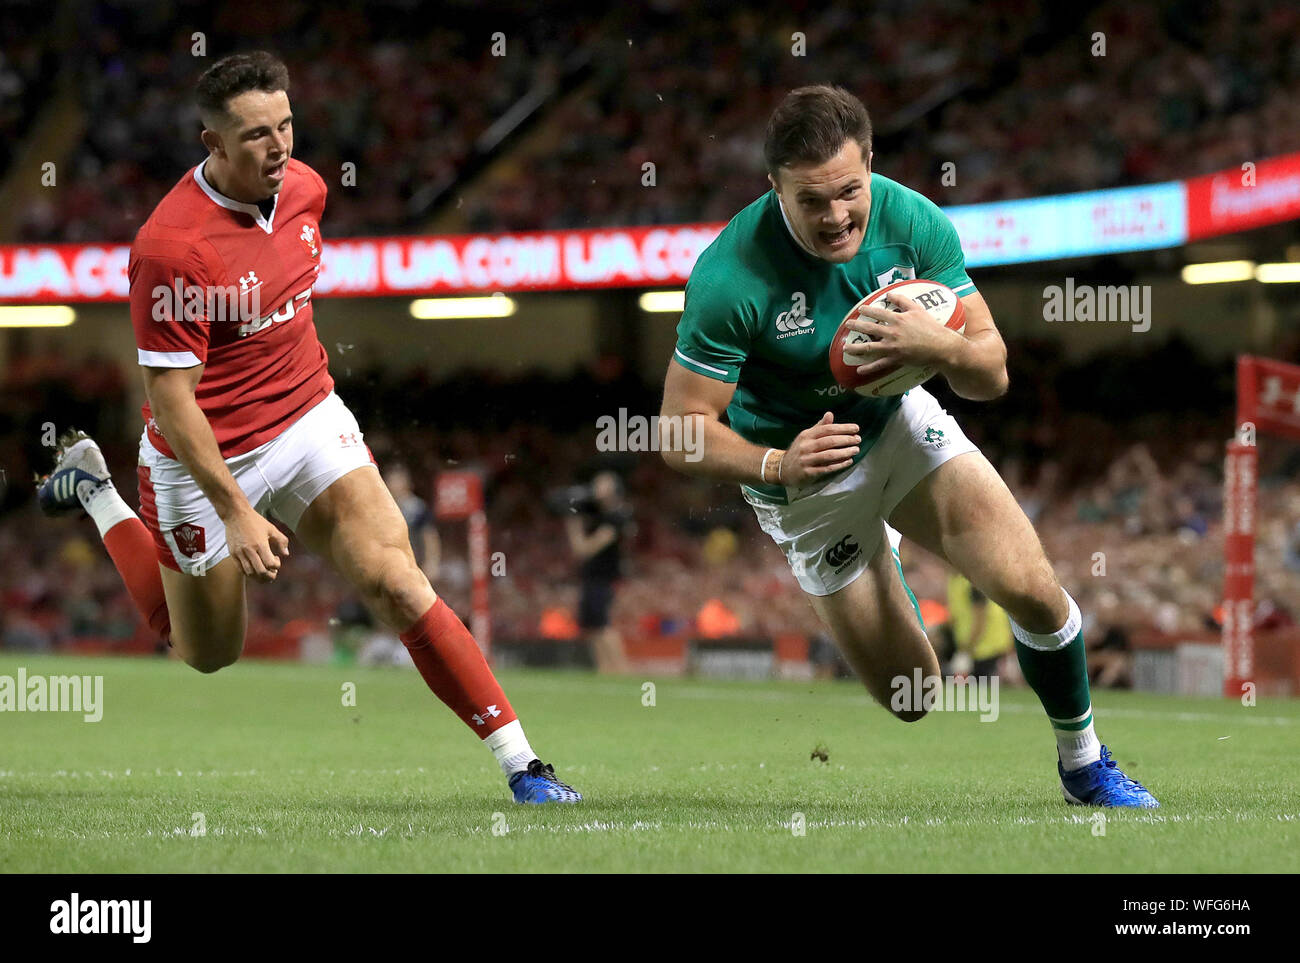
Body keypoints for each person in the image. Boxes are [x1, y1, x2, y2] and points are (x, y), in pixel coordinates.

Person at [35, 51, 578, 805]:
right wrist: (236, 509)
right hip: (202, 457)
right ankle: (98, 490)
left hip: (306, 416)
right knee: (206, 651)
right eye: (257, 134)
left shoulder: (308, 191)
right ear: (212, 145)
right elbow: (172, 401)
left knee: (395, 578)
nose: (280, 145)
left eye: (286, 123)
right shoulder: (170, 250)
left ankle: (524, 765)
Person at [659, 85, 1157, 807]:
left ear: (870, 163)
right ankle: (877, 552)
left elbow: (992, 375)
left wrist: (941, 344)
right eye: (811, 201)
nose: (836, 217)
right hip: (803, 486)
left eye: (849, 192)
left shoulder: (913, 220)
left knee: (1034, 592)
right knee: (915, 695)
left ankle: (1085, 764)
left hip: (895, 426)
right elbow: (679, 431)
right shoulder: (729, 276)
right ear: (773, 188)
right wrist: (777, 463)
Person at [564, 470, 632, 673]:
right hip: (591, 577)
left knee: (603, 625)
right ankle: (605, 669)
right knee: (593, 626)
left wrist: (573, 524)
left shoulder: (617, 516)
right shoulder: (598, 515)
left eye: (603, 484)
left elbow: (585, 549)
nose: (596, 488)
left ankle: (621, 669)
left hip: (604, 577)